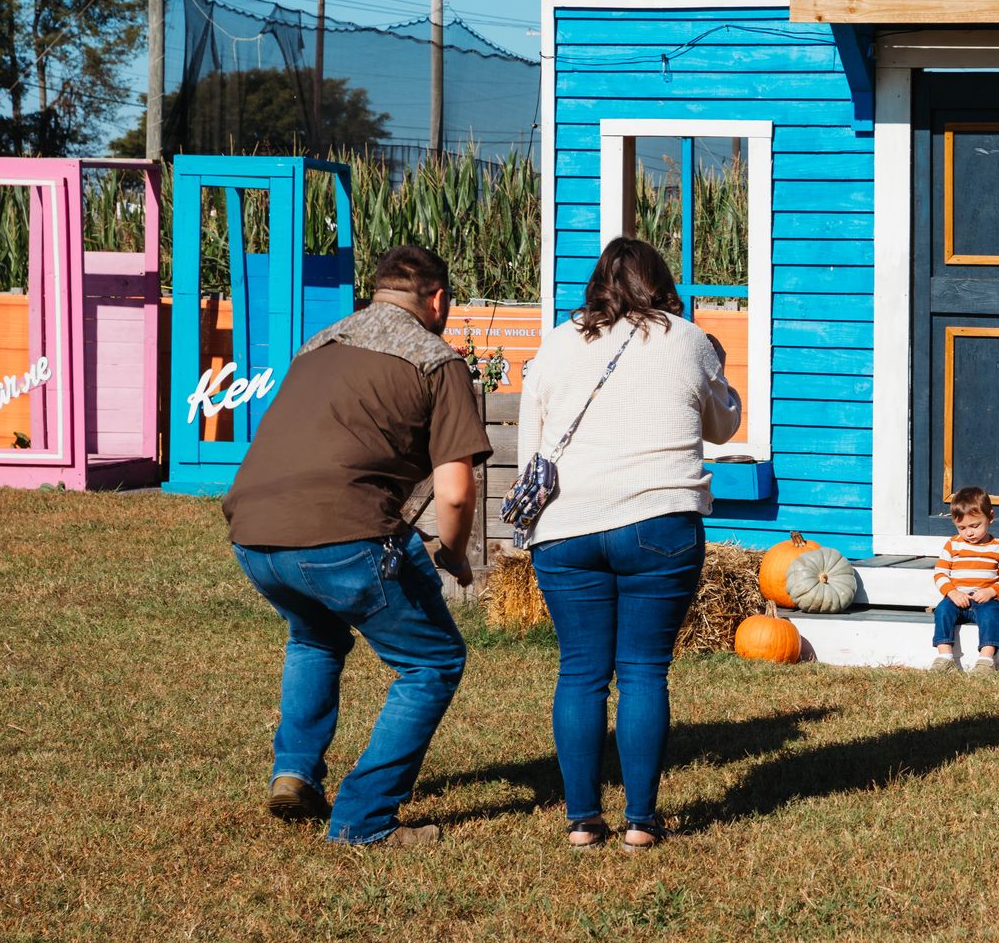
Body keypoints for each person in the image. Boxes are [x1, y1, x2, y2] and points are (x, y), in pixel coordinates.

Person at [224, 243, 490, 847]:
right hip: (343, 537)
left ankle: (294, 772)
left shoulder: (319, 344)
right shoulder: (435, 359)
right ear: (438, 301)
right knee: (432, 662)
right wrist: (451, 556)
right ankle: (362, 820)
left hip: (253, 533)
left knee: (315, 635)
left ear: (375, 294)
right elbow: (453, 495)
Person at [519, 236, 741, 851]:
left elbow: (531, 445)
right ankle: (641, 822)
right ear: (661, 282)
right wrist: (719, 369)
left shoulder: (559, 343)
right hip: (660, 519)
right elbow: (724, 426)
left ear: (598, 284)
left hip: (566, 525)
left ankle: (582, 821)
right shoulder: (688, 338)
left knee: (581, 671)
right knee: (644, 670)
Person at [929, 486, 999, 672]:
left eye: (975, 526)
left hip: (985, 600)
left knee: (991, 616)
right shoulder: (953, 544)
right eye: (961, 527)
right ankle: (944, 657)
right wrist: (951, 592)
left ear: (990, 517)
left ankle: (986, 659)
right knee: (942, 610)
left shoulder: (998, 548)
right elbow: (940, 573)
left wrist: (992, 591)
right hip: (957, 598)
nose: (968, 533)